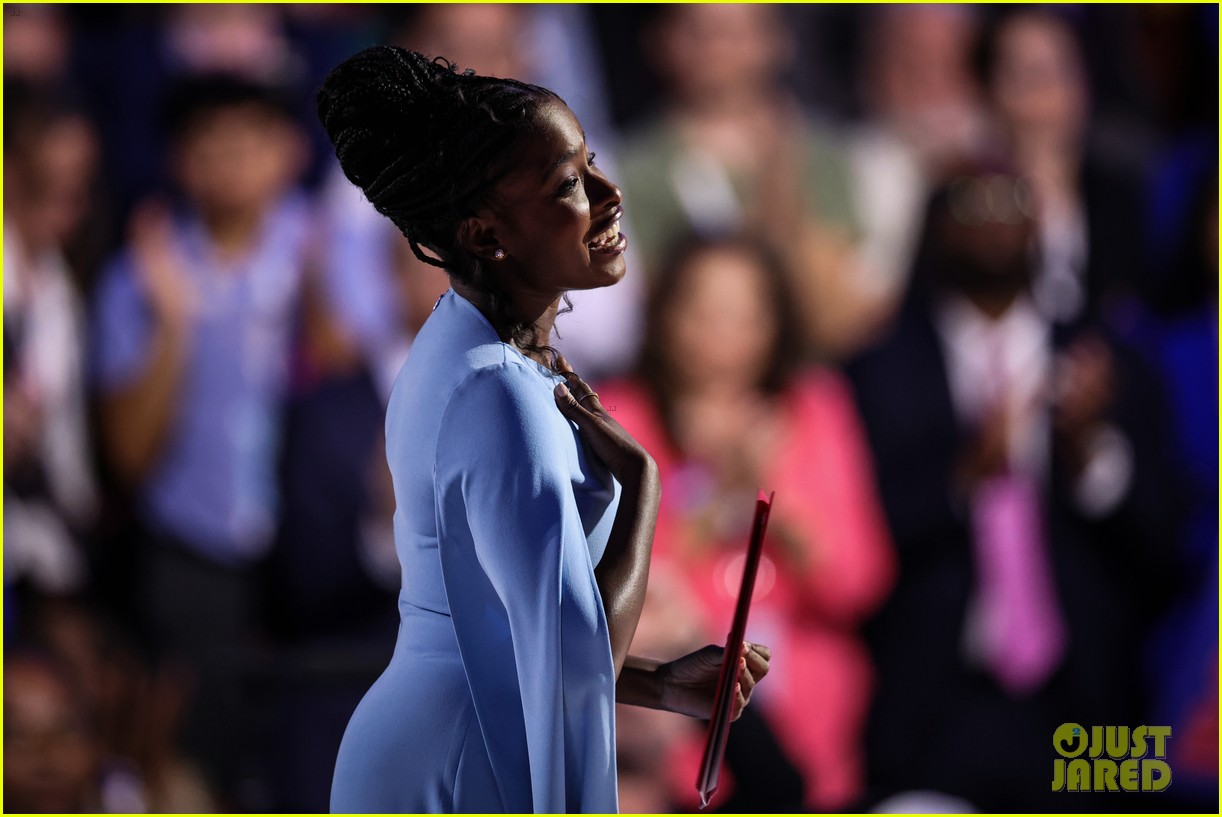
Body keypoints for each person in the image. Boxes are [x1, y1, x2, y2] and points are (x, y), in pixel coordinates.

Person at [315, 46, 771, 813]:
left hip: (446, 740)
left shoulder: (469, 345)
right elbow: (561, 668)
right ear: (487, 235)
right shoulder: (500, 393)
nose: (610, 195)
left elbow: (512, 638)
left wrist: (660, 683)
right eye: (568, 185)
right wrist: (642, 493)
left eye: (592, 165)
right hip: (460, 766)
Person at [845, 162, 1178, 810]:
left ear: (1040, 226)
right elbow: (860, 545)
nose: (996, 221)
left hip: (1089, 705)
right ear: (937, 226)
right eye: (975, 206)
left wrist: (1090, 455)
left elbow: (1163, 542)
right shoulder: (877, 369)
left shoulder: (1108, 357)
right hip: (933, 706)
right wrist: (961, 477)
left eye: (1014, 204)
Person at [596, 236, 895, 810]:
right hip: (673, 748)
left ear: (777, 324)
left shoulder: (815, 407)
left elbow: (859, 582)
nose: (722, 337)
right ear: (664, 316)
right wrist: (713, 493)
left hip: (810, 737)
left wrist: (773, 497)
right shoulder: (619, 414)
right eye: (702, 312)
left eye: (746, 317)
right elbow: (622, 593)